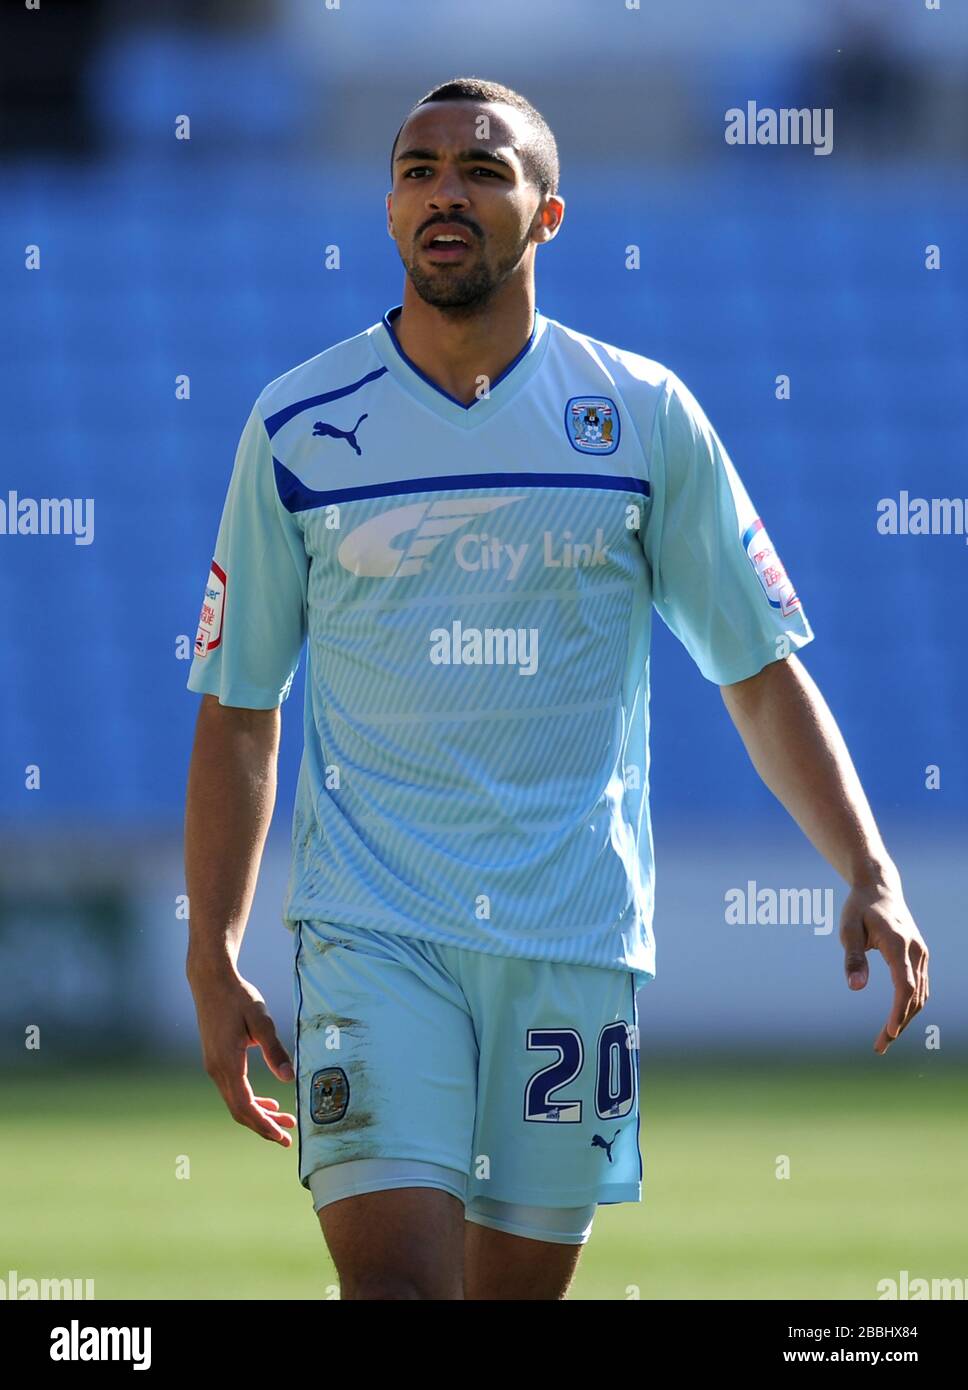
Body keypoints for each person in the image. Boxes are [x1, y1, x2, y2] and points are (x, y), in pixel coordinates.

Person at [184, 77, 929, 1301]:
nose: (445, 191)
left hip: (575, 940)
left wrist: (866, 867)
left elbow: (755, 668)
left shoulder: (641, 418)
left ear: (546, 215)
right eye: (418, 169)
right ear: (385, 211)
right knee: (396, 1290)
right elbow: (239, 708)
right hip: (376, 933)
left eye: (482, 169)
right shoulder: (296, 428)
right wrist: (213, 951)